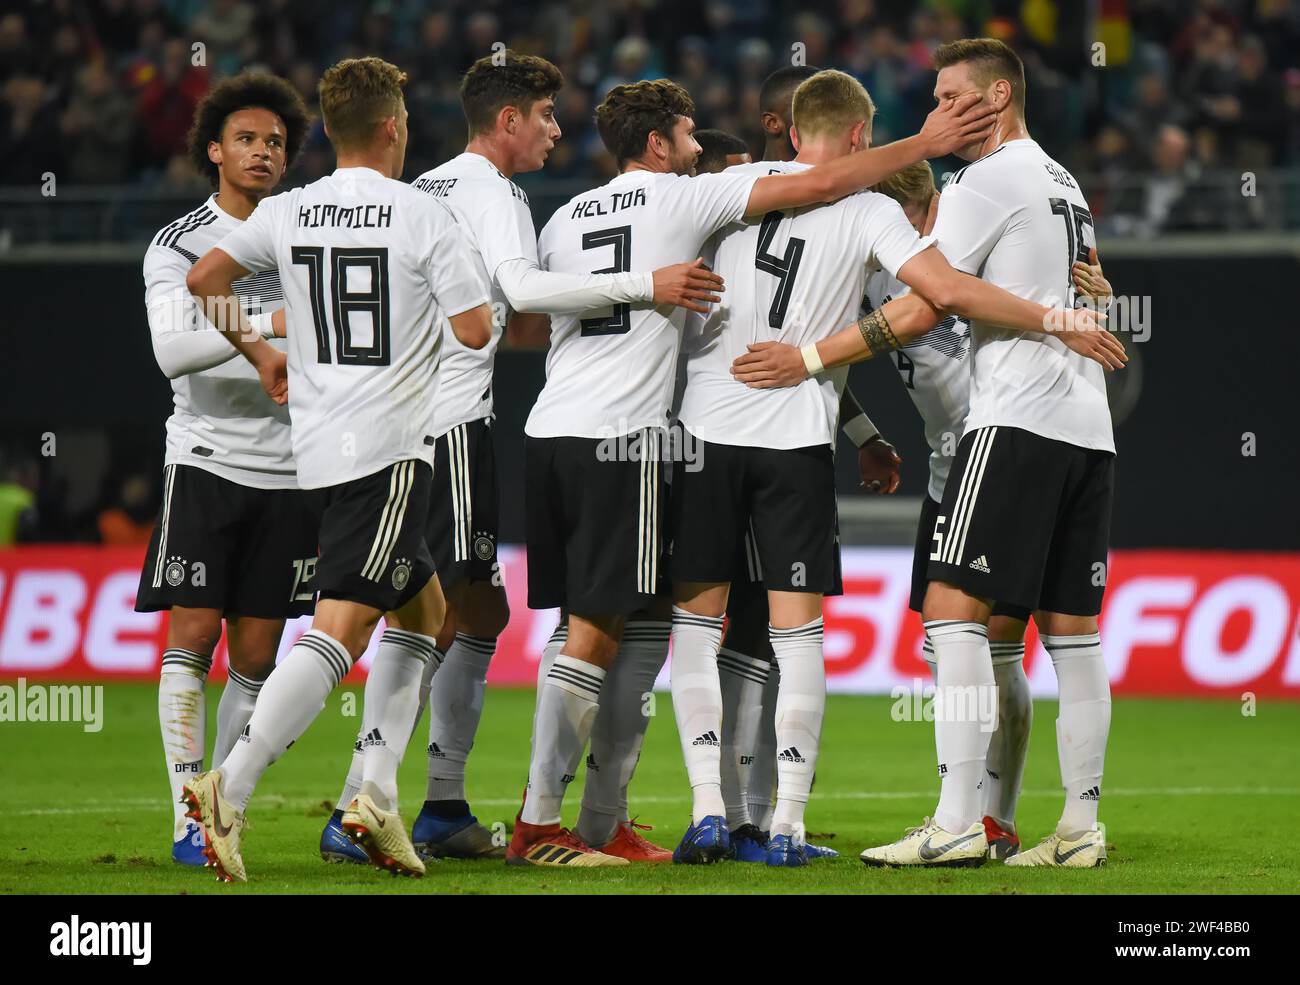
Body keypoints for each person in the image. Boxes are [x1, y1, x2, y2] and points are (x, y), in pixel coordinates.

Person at [508, 75, 1000, 867]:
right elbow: (931, 296)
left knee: (681, 629)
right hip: (788, 437)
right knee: (791, 636)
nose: (700, 144)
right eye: (690, 130)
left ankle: (700, 811)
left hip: (674, 435)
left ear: (792, 130)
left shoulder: (687, 203)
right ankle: (782, 827)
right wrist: (1047, 310)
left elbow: (526, 308)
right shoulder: (804, 201)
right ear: (859, 133)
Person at [675, 69, 1114, 867]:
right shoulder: (1051, 184)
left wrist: (809, 358)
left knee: (967, 625)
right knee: (1028, 636)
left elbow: (927, 299)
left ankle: (973, 818)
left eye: (954, 97)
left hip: (1001, 440)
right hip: (1005, 450)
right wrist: (867, 429)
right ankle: (1040, 822)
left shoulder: (947, 210)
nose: (942, 111)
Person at [320, 50, 722, 864]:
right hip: (453, 416)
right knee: (427, 614)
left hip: (404, 420)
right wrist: (650, 283)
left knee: (474, 612)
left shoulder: (422, 186)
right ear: (508, 122)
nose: (555, 130)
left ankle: (437, 801)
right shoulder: (492, 191)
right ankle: (369, 798)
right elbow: (526, 291)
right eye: (544, 115)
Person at [181, 57, 493, 882]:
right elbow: (473, 329)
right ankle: (229, 787)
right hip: (388, 448)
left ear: (326, 130)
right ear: (394, 128)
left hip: (319, 452)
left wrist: (261, 350)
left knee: (424, 617)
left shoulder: (287, 211)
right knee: (341, 628)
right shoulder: (424, 215)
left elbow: (204, 275)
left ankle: (374, 799)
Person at [134, 73, 313, 867]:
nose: (262, 151)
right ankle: (183, 809)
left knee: (257, 656)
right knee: (194, 632)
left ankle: (222, 805)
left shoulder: (303, 239)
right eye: (246, 138)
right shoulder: (178, 244)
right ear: (214, 150)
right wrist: (275, 325)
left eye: (275, 142)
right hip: (206, 458)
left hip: (294, 468)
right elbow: (175, 352)